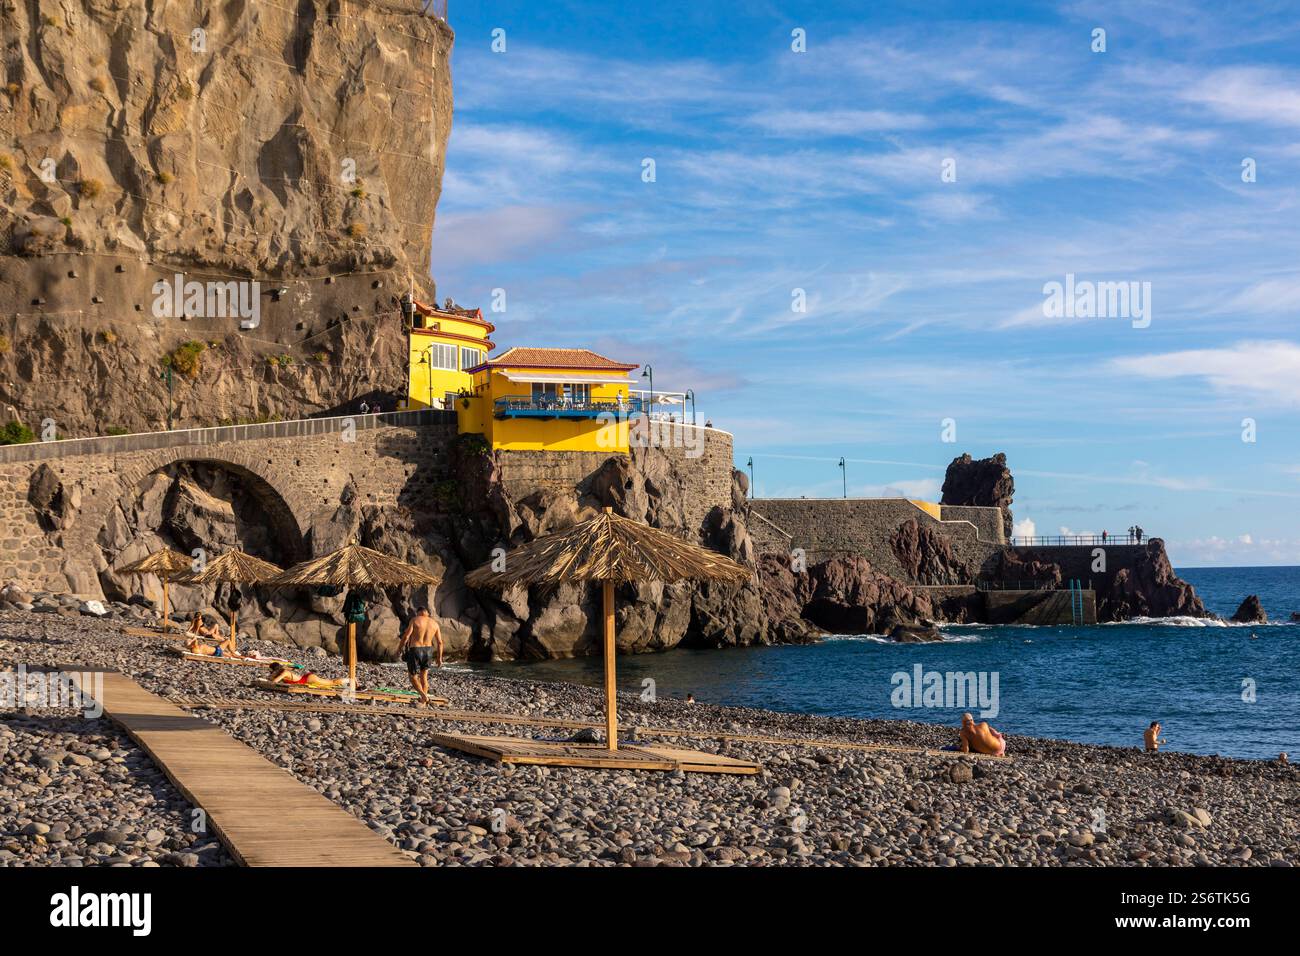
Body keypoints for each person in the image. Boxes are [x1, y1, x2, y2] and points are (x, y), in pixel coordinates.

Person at [398, 607, 442, 707]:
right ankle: (423, 700)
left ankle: (423, 696)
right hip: (429, 650)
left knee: (412, 676)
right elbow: (440, 642)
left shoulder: (415, 620)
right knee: (424, 676)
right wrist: (439, 658)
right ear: (427, 613)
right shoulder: (435, 623)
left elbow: (406, 636)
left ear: (418, 613)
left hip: (416, 649)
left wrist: (399, 648)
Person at [266, 662, 347, 689]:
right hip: (306, 678)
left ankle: (349, 680)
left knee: (331, 682)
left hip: (308, 679)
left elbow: (275, 681)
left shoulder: (284, 673)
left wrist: (270, 679)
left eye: (272, 670)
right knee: (330, 682)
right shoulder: (282, 672)